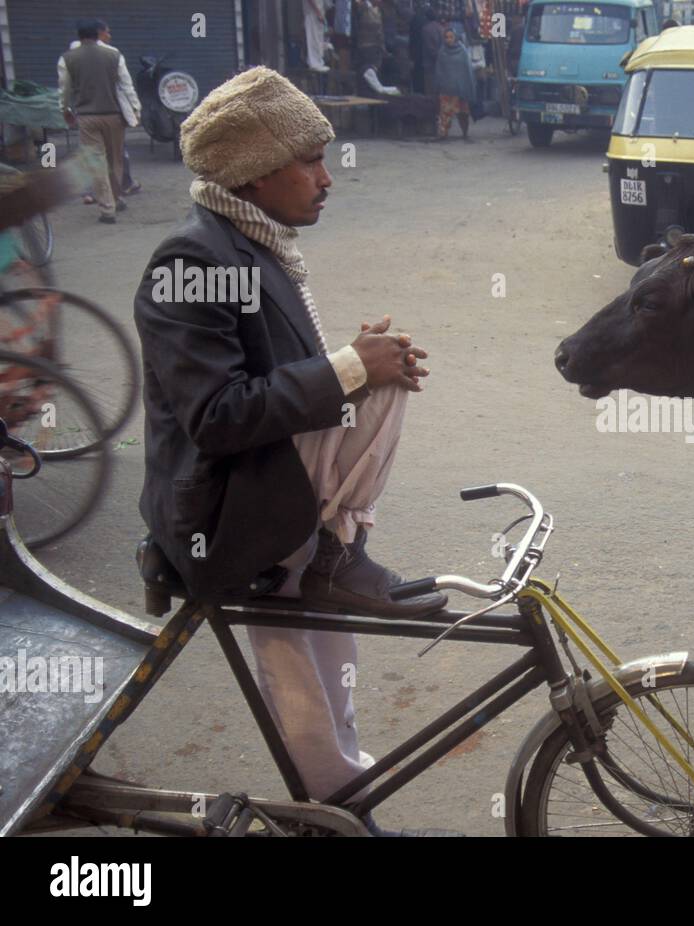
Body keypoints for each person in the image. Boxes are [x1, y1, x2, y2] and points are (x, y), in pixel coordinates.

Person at [134, 66, 450, 835]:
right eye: (308, 161)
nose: (325, 178)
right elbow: (216, 415)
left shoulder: (255, 244)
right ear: (252, 173)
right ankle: (336, 813)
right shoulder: (189, 263)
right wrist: (347, 367)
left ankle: (335, 549)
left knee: (383, 373)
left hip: (270, 483)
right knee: (298, 664)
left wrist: (362, 366)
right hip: (225, 511)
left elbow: (282, 383)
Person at [57, 18, 137, 224]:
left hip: (87, 117)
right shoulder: (114, 55)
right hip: (114, 116)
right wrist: (136, 109)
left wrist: (64, 110)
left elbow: (64, 89)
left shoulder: (67, 58)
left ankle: (107, 208)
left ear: (79, 36)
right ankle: (117, 197)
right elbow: (127, 86)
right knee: (115, 160)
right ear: (98, 34)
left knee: (96, 163)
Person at [432, 27, 476, 140]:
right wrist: (438, 85)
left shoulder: (462, 51)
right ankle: (443, 133)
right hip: (446, 89)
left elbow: (467, 71)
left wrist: (468, 86)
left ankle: (465, 133)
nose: (448, 39)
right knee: (445, 113)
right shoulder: (442, 52)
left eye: (451, 37)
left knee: (463, 113)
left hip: (460, 89)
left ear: (455, 37)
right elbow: (439, 71)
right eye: (446, 37)